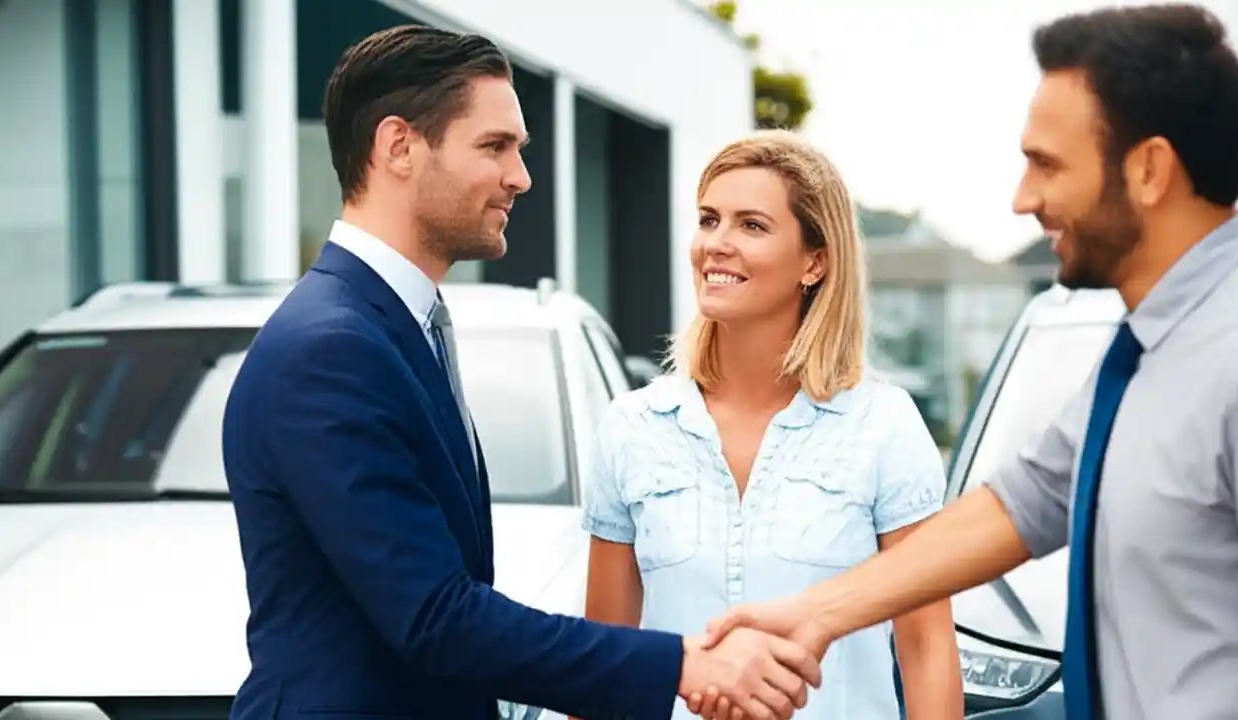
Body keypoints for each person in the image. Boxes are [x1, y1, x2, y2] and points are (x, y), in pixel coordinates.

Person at [221, 25, 821, 720]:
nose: (521, 177)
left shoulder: (393, 327)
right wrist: (683, 663)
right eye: (494, 147)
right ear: (399, 147)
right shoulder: (331, 348)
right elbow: (435, 618)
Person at [696, 5, 1238, 720]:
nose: (1022, 198)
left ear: (1149, 169)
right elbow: (1021, 503)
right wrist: (817, 614)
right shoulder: (1147, 356)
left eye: (1047, 165)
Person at [579, 130, 963, 720]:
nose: (717, 244)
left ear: (815, 261)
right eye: (709, 220)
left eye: (751, 225)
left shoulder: (883, 426)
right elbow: (604, 656)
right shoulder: (633, 427)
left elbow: (927, 648)